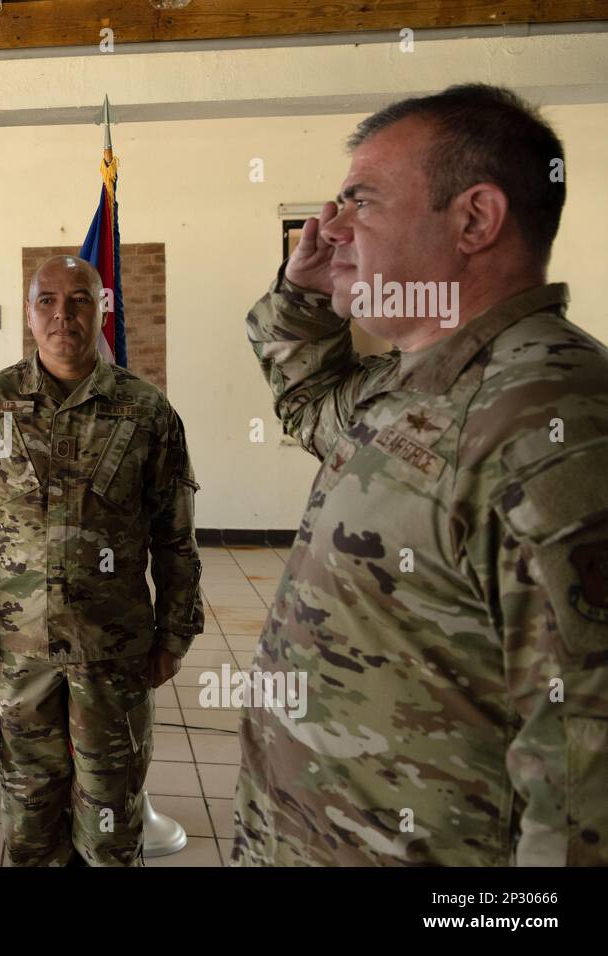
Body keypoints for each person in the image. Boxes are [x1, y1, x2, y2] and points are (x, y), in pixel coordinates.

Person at [233, 84, 608, 866]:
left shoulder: (550, 425)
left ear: (474, 219)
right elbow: (307, 403)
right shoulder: (415, 383)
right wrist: (304, 296)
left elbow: (582, 790)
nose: (329, 229)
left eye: (359, 203)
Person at [0, 254, 203, 866]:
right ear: (28, 315)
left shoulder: (147, 411)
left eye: (79, 299)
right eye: (47, 301)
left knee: (108, 822)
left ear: (103, 309)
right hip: (18, 656)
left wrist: (176, 633)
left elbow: (174, 536)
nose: (63, 314)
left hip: (113, 653)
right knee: (29, 823)